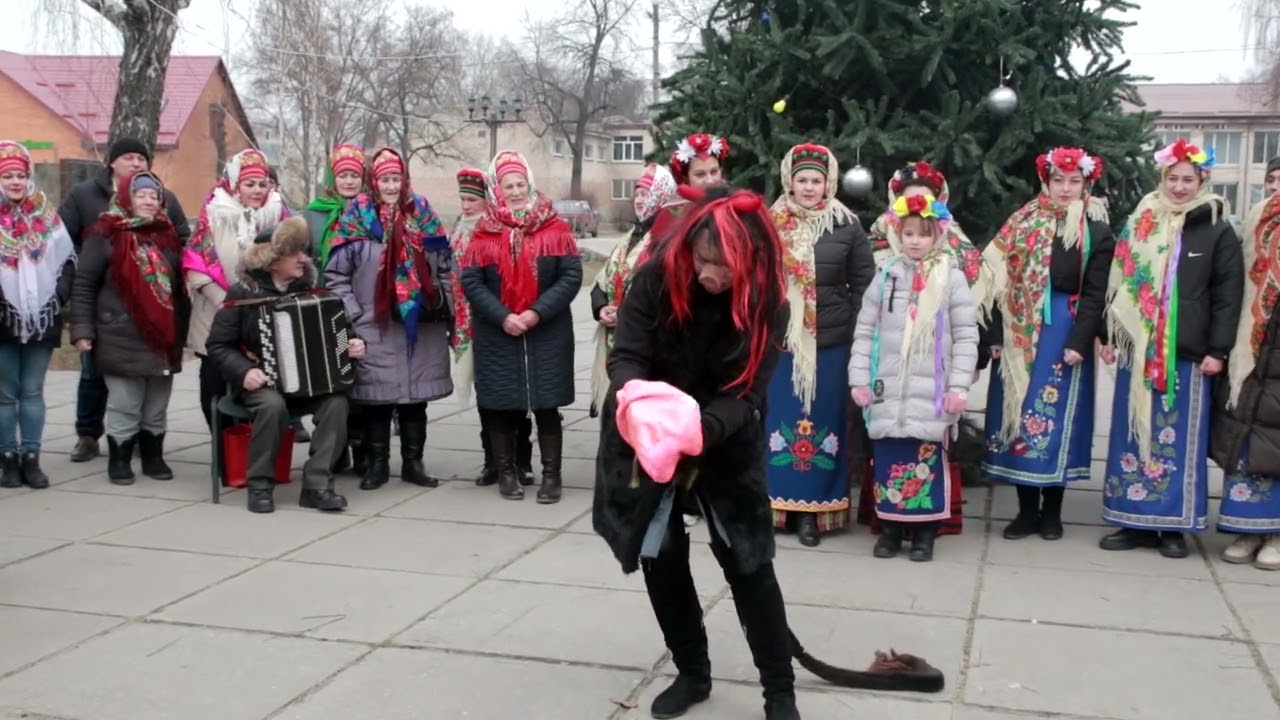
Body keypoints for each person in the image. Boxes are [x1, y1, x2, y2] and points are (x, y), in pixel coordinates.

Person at [594, 185, 944, 720]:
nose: (709, 276)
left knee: (749, 564)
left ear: (750, 262)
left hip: (722, 434)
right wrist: (641, 407)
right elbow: (628, 357)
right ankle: (693, 673)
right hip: (650, 433)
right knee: (660, 557)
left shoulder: (768, 302)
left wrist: (703, 431)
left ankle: (779, 693)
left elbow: (748, 394)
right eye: (703, 261)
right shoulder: (658, 277)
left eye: (722, 268)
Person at [1099, 138, 1244, 558]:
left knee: (1179, 439)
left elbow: (1227, 295)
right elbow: (1121, 280)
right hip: (1139, 351)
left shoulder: (1217, 228)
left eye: (1188, 179)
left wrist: (1218, 349)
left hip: (1188, 356)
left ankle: (1174, 526)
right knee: (1132, 434)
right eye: (1173, 178)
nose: (1179, 187)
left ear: (1202, 180)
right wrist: (1110, 337)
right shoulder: (1142, 221)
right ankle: (1132, 521)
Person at [982, 147, 1116, 541]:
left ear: (1086, 184)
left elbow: (1095, 292)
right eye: (1058, 180)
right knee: (1022, 410)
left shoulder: (1095, 230)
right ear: (1046, 180)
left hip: (1065, 329)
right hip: (1019, 326)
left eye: (1075, 181)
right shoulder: (1022, 222)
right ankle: (1026, 511)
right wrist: (992, 335)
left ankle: (1052, 510)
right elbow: (993, 277)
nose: (1065, 189)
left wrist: (1080, 339)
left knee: (1059, 418)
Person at [849, 192, 979, 562]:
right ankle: (890, 529)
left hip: (930, 392)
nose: (916, 241)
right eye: (909, 234)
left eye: (923, 234)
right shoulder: (885, 276)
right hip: (889, 388)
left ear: (937, 235)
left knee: (925, 459)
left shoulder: (951, 278)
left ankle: (925, 532)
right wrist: (859, 379)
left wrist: (957, 386)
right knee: (890, 460)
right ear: (898, 235)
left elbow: (966, 335)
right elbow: (865, 332)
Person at [206, 217, 364, 513]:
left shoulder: (312, 289)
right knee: (272, 405)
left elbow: (340, 331)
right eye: (295, 253)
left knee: (336, 402)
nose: (303, 259)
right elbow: (217, 345)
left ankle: (317, 485)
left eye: (303, 251)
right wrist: (244, 371)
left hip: (311, 382)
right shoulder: (244, 293)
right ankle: (260, 484)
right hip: (260, 380)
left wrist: (353, 344)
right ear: (272, 259)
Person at [765, 143, 875, 547]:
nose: (809, 188)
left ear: (828, 182)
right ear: (788, 182)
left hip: (830, 343)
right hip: (782, 344)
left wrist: (859, 330)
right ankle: (779, 507)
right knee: (779, 423)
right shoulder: (769, 223)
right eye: (802, 180)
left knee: (825, 422)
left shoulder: (846, 224)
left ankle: (814, 512)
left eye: (816, 180)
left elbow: (864, 281)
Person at [326, 148, 454, 490]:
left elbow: (444, 266)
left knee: (415, 400)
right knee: (377, 401)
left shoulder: (423, 213)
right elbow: (336, 277)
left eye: (397, 178)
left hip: (421, 324)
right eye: (385, 179)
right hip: (375, 325)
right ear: (374, 181)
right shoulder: (356, 217)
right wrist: (356, 314)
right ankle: (377, 466)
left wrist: (442, 301)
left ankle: (413, 464)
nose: (391, 185)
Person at [58, 137, 189, 462]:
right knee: (105, 387)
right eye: (129, 157)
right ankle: (91, 438)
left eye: (141, 158)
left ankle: (149, 456)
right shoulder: (95, 215)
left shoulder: (167, 226)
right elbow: (73, 260)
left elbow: (184, 257)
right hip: (114, 322)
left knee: (154, 399)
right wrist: (83, 327)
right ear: (113, 164)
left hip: (159, 329)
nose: (136, 162)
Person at [462, 150, 581, 503]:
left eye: (519, 184)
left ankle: (552, 477)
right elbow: (472, 281)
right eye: (507, 186)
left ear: (529, 184)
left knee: (546, 405)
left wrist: (536, 313)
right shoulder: (484, 231)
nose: (514, 191)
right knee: (501, 404)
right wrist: (503, 316)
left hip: (547, 332)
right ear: (497, 190)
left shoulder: (555, 228)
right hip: (499, 333)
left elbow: (570, 276)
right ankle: (507, 472)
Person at [184, 148, 291, 435]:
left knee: (261, 383)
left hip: (265, 313)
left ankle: (257, 448)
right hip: (216, 310)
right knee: (215, 383)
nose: (257, 190)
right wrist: (222, 300)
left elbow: (294, 261)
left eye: (262, 183)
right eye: (250, 184)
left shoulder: (279, 216)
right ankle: (223, 446)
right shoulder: (214, 213)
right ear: (235, 184)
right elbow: (195, 260)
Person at [1209, 170, 1280, 568]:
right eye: (1271, 178)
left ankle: (1277, 535)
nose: (1274, 187)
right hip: (1251, 347)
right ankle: (1248, 529)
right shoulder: (1254, 222)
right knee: (1249, 437)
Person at [451, 167, 536, 486]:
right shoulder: (459, 229)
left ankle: (521, 460)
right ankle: (493, 460)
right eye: (462, 199)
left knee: (515, 392)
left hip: (498, 318)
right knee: (486, 393)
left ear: (487, 200)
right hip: (467, 321)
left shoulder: (494, 228)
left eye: (472, 199)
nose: (466, 206)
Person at [0, 140, 76, 489]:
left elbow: (65, 262)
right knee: (5, 392)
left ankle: (32, 457)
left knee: (32, 390)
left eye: (20, 175)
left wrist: (56, 297)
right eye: (7, 176)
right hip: (3, 318)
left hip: (42, 316)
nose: (15, 182)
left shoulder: (48, 215)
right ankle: (8, 459)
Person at [589, 163, 678, 417]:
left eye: (646, 194)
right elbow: (601, 280)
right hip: (615, 338)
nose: (639, 200)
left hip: (645, 344)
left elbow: (664, 293)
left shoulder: (668, 239)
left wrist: (626, 312)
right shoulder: (630, 236)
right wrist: (600, 307)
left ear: (662, 195)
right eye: (637, 194)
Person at [304, 143, 367, 473]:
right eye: (343, 174)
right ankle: (334, 450)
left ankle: (363, 450)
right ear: (333, 177)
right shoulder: (312, 215)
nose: (349, 181)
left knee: (364, 381)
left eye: (355, 175)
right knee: (330, 380)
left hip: (364, 308)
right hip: (325, 309)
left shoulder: (372, 211)